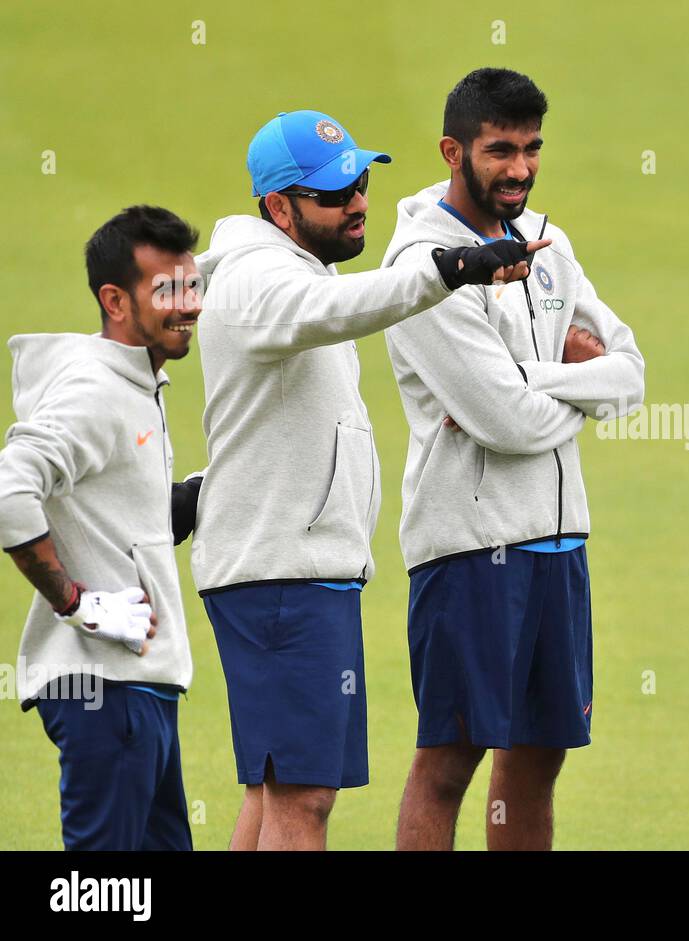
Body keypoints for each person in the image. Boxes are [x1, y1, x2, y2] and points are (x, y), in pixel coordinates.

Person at [193, 108, 548, 851]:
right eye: (332, 193)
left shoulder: (289, 268)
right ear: (279, 207)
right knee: (305, 797)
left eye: (359, 182)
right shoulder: (262, 277)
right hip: (283, 576)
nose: (356, 202)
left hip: (288, 568)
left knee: (275, 789)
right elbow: (338, 310)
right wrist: (449, 267)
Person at [381, 68, 644, 851]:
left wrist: (530, 378)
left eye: (531, 148)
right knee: (450, 759)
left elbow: (629, 378)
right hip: (468, 547)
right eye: (501, 150)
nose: (521, 168)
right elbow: (504, 422)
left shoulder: (547, 242)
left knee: (539, 755)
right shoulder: (421, 265)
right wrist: (568, 386)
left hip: (560, 540)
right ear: (452, 150)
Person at [0, 205, 203, 850]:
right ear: (115, 300)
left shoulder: (138, 384)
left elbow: (115, 517)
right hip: (104, 689)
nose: (188, 304)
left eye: (192, 285)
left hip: (138, 687)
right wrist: (74, 601)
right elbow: (8, 490)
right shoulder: (95, 390)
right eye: (166, 290)